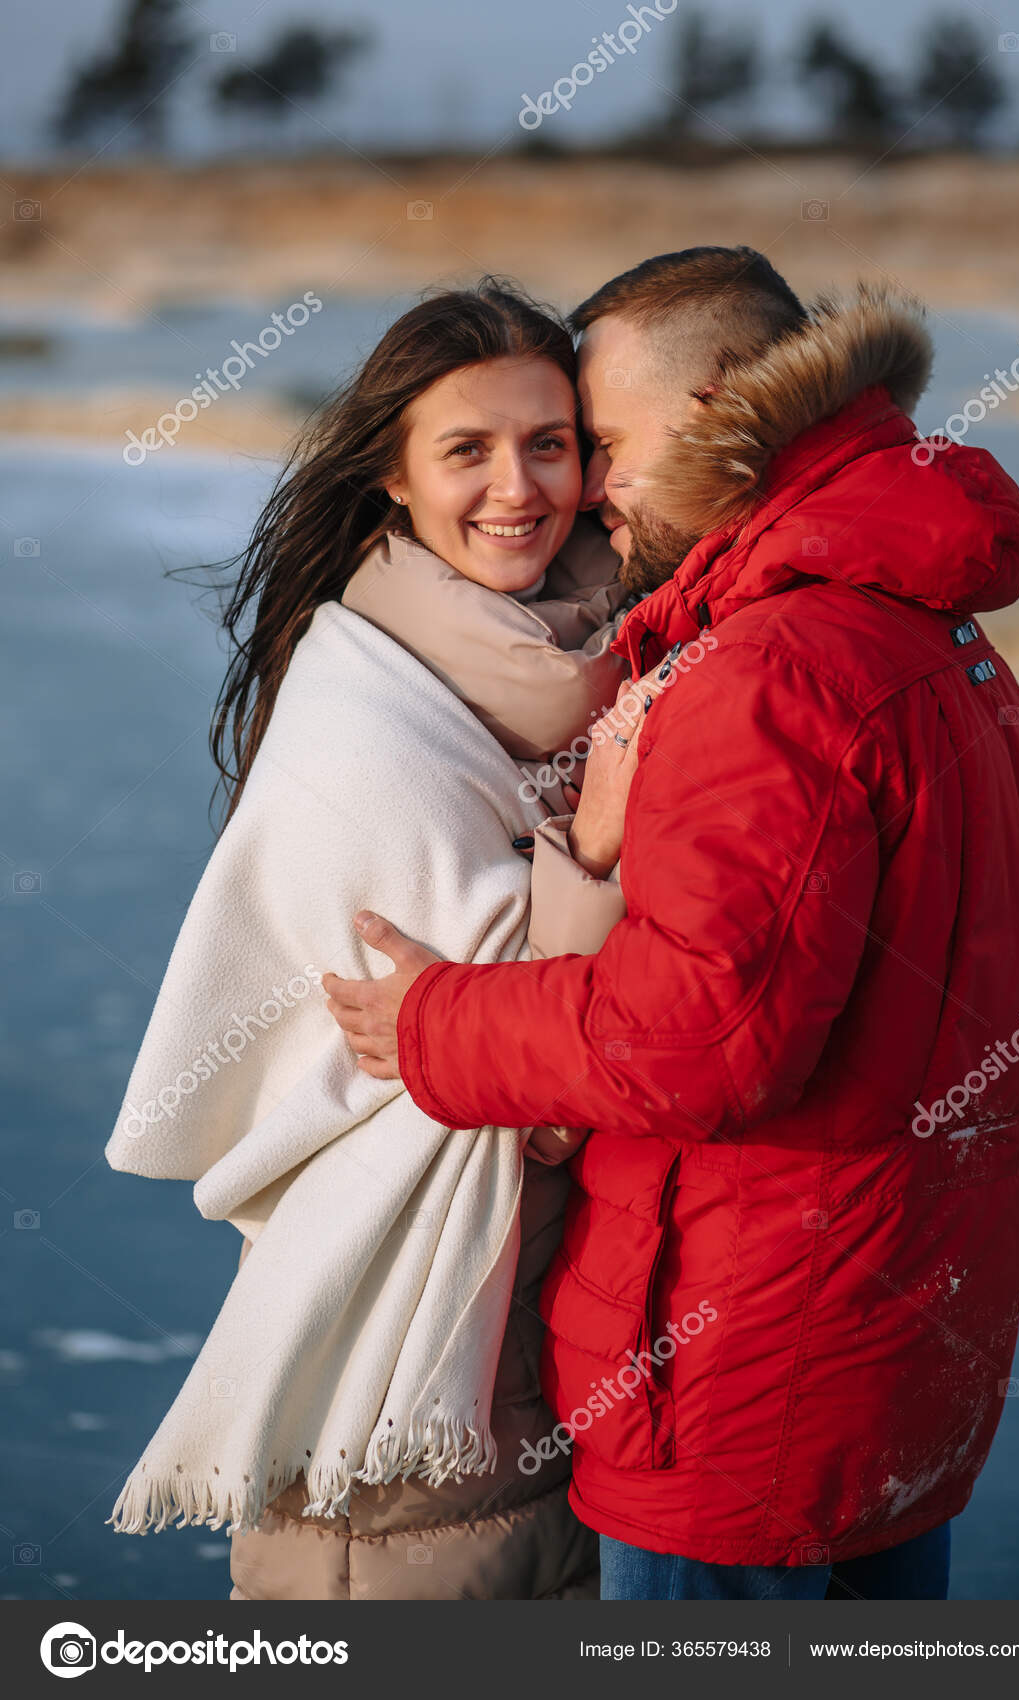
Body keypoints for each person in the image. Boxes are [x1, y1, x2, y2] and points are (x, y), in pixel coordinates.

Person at [321, 247, 1019, 1602]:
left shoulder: (773, 669)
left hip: (745, 1389)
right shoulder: (937, 633)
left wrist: (439, 1021)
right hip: (897, 1350)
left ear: (717, 405)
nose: (589, 487)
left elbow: (697, 1041)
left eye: (601, 443)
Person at [198, 277, 638, 1600]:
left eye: (548, 443)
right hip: (408, 1287)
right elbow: (496, 1062)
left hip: (551, 1301)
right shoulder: (364, 715)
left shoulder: (580, 663)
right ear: (390, 476)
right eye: (467, 450)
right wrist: (598, 852)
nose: (519, 486)